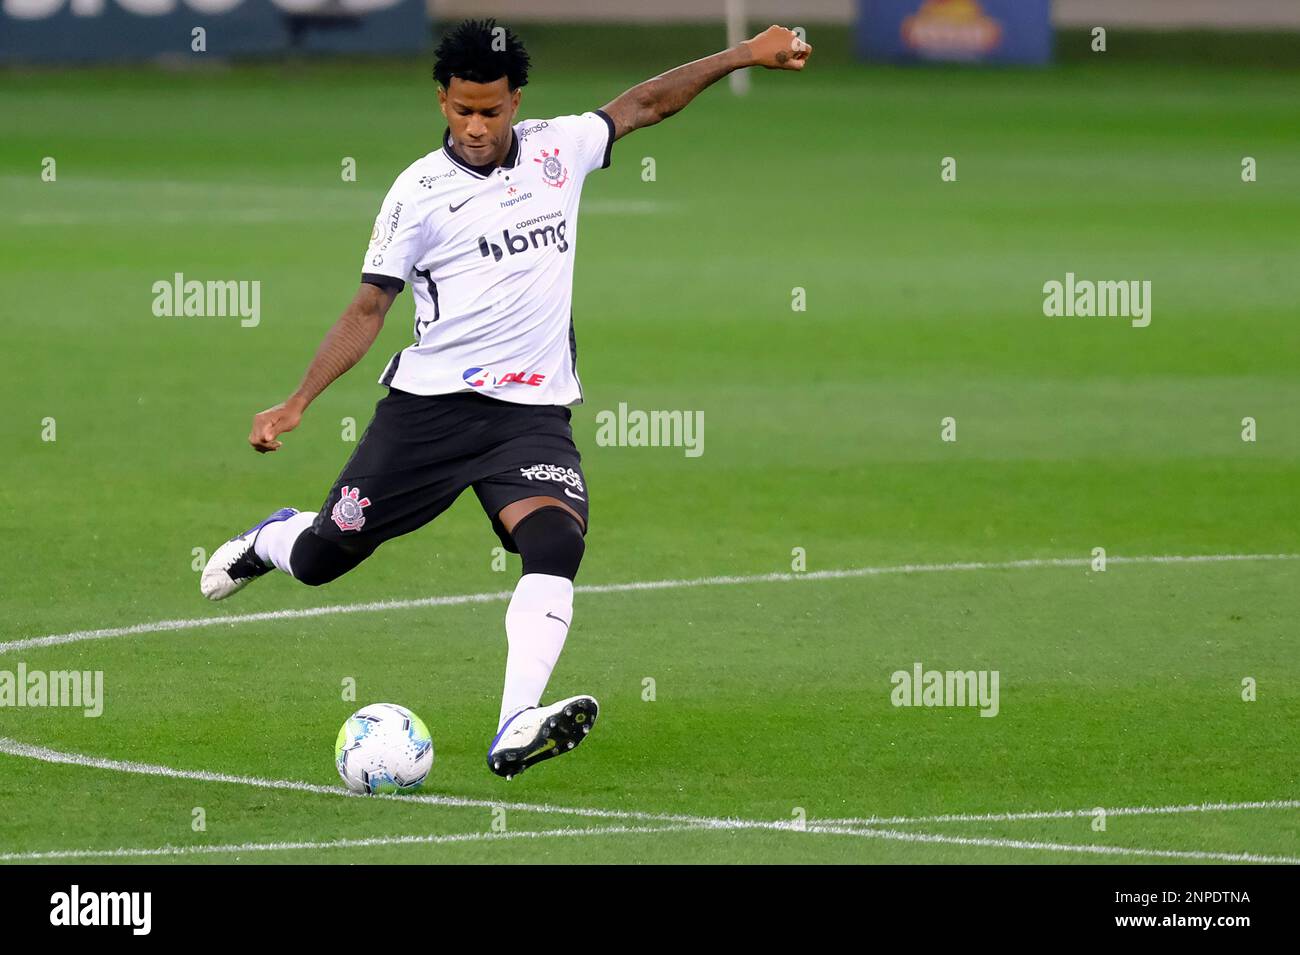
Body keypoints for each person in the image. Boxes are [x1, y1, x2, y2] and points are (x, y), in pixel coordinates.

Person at [200, 18, 812, 780]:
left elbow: (648, 103)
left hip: (530, 418)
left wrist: (747, 53)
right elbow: (368, 308)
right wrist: (298, 401)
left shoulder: (560, 150)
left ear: (516, 101)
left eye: (491, 110)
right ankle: (270, 540)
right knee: (326, 556)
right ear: (441, 102)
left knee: (556, 544)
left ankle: (515, 720)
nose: (477, 125)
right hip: (429, 412)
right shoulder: (417, 193)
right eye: (462, 110)